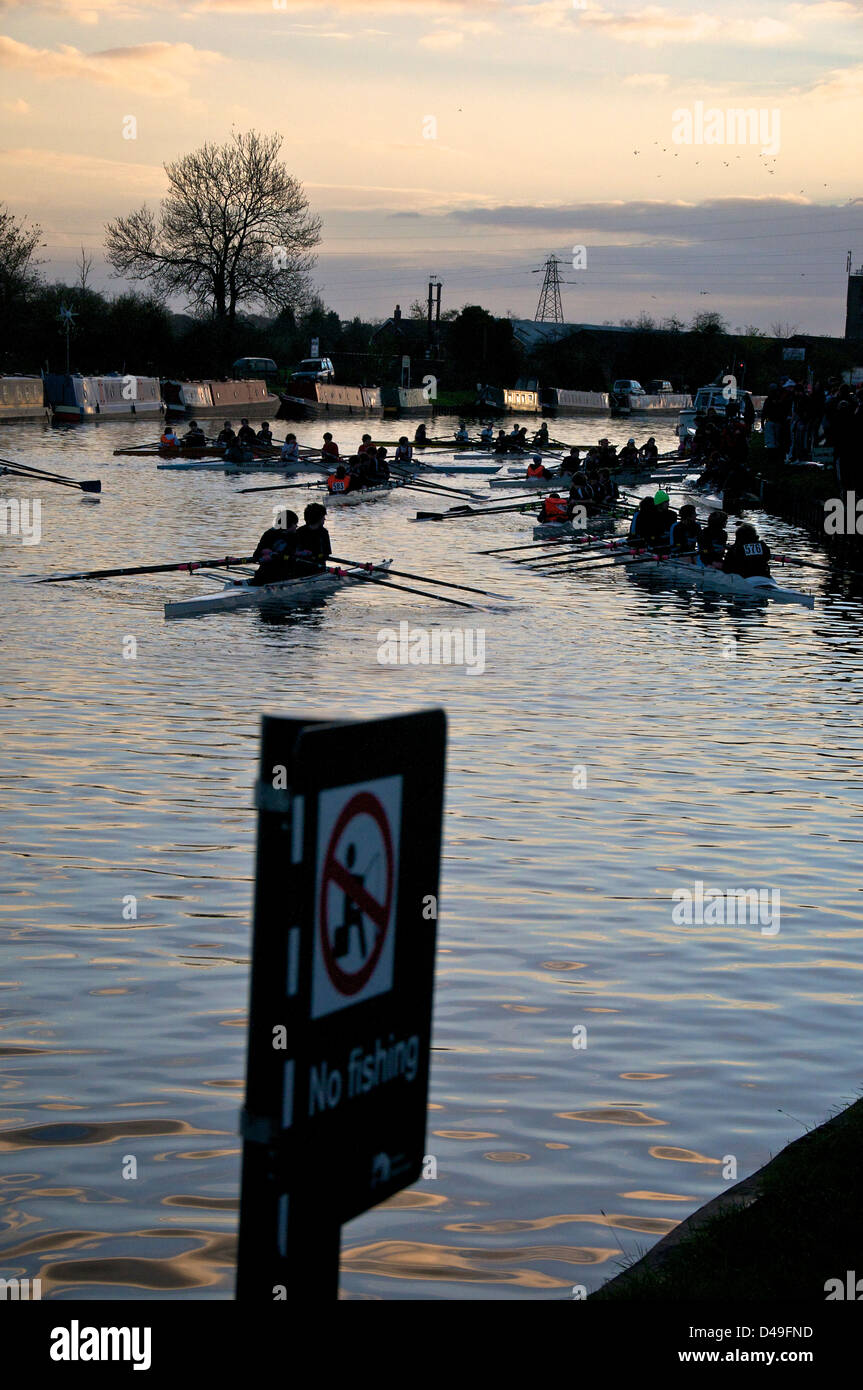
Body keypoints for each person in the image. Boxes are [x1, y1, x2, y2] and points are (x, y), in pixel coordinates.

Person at [250, 509, 299, 586]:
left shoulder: (294, 536)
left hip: (284, 574)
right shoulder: (269, 534)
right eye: (295, 524)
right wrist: (263, 553)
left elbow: (291, 554)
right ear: (289, 524)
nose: (297, 526)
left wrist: (274, 554)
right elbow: (256, 555)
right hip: (266, 574)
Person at [294, 502, 331, 571]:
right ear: (319, 519)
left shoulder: (323, 532)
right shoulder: (298, 532)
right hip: (303, 569)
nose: (324, 519)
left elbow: (326, 554)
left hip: (318, 568)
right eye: (323, 517)